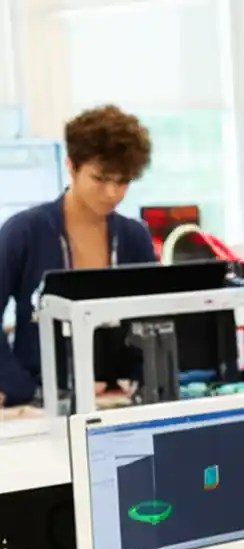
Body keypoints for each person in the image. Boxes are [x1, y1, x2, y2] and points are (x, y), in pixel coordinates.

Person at [0, 105, 154, 407]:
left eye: (123, 182)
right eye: (100, 179)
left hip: (117, 400)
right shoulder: (24, 233)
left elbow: (152, 322)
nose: (112, 192)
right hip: (37, 400)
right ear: (71, 167)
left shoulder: (134, 237)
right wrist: (20, 388)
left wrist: (140, 381)